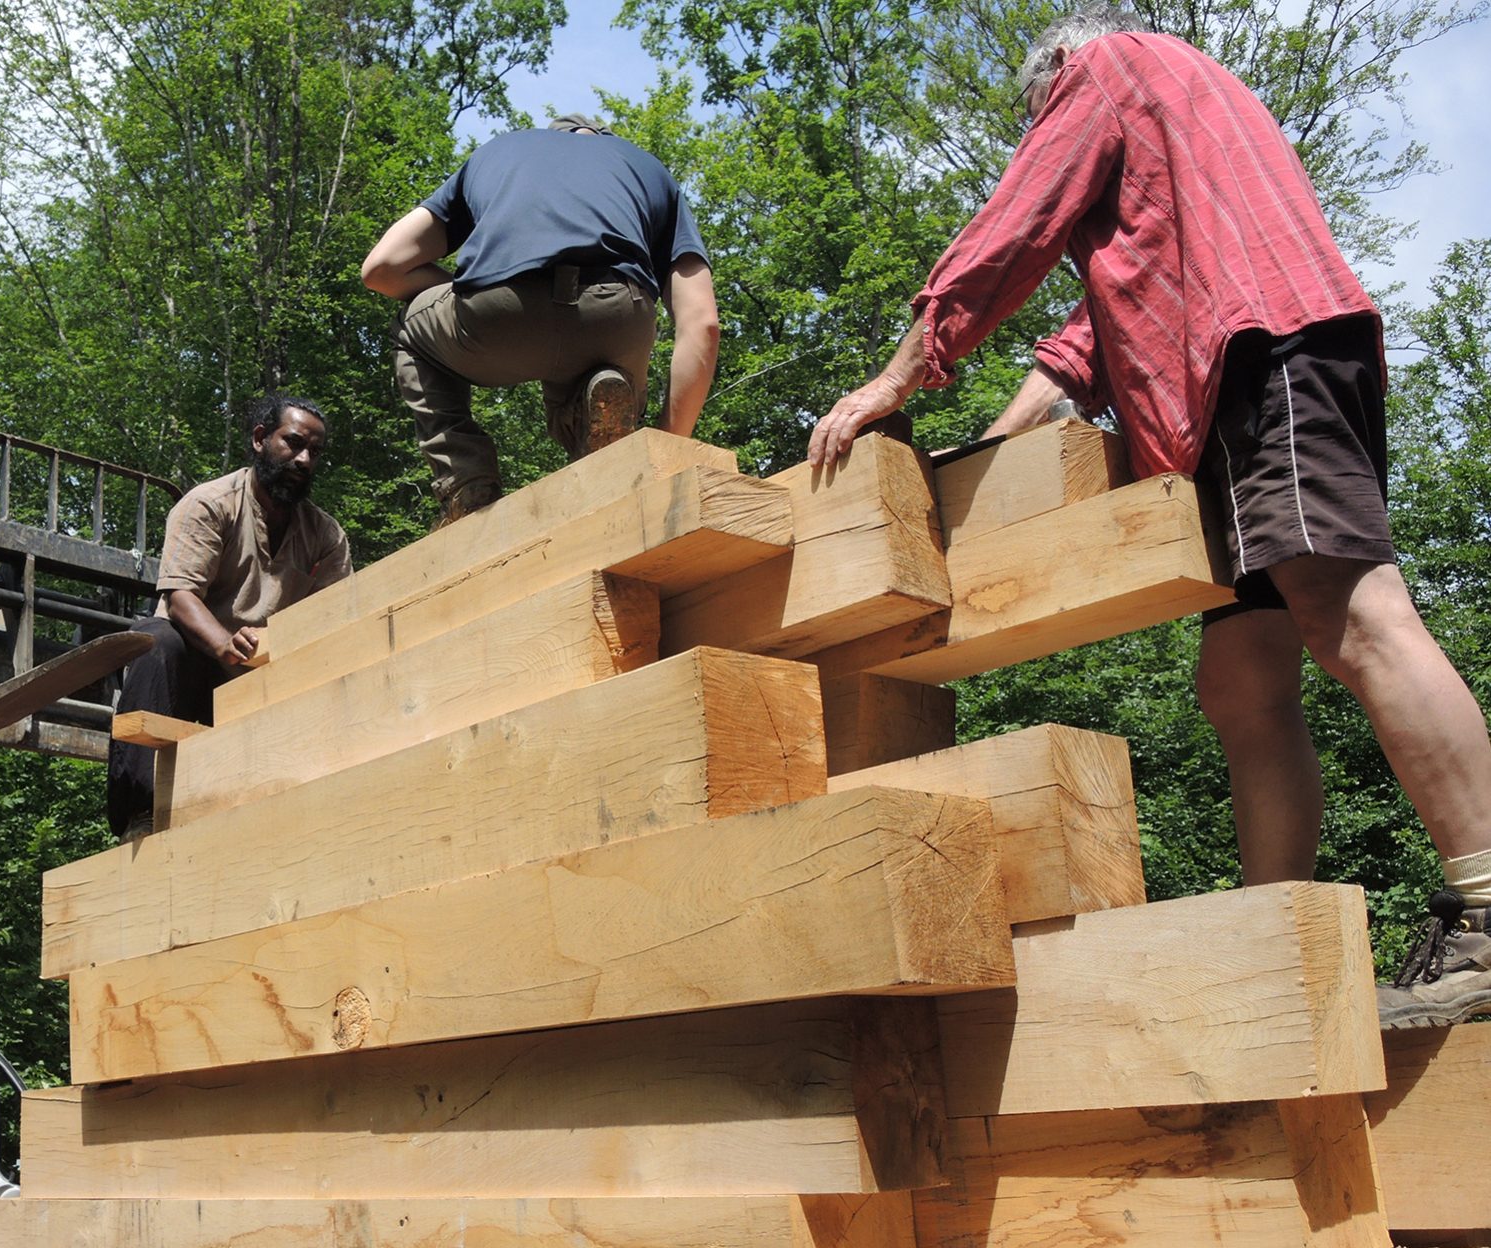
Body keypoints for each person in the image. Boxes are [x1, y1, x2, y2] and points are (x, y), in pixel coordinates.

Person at [805, 7, 1491, 1027]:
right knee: (1242, 679)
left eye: (1037, 114)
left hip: (1270, 359)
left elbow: (1015, 228)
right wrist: (981, 465)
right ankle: (1277, 950)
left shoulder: (1105, 67)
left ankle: (1484, 906)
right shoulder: (1177, 127)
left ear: (1052, 80)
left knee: (1356, 617)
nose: (1041, 127)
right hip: (1236, 378)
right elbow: (1083, 346)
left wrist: (897, 378)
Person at [361, 113, 721, 523]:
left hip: (498, 311)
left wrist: (476, 291)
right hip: (617, 316)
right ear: (606, 140)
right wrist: (665, 453)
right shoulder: (650, 171)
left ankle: (466, 481)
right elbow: (702, 323)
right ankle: (591, 411)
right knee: (596, 369)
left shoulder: (496, 152)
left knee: (412, 328)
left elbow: (381, 268)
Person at [106, 394, 352, 839]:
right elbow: (180, 595)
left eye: (314, 452)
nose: (303, 459)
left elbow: (335, 620)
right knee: (153, 640)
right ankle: (141, 815)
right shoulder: (210, 504)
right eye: (293, 444)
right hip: (197, 667)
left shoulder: (327, 536)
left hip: (269, 678)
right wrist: (224, 643)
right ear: (260, 439)